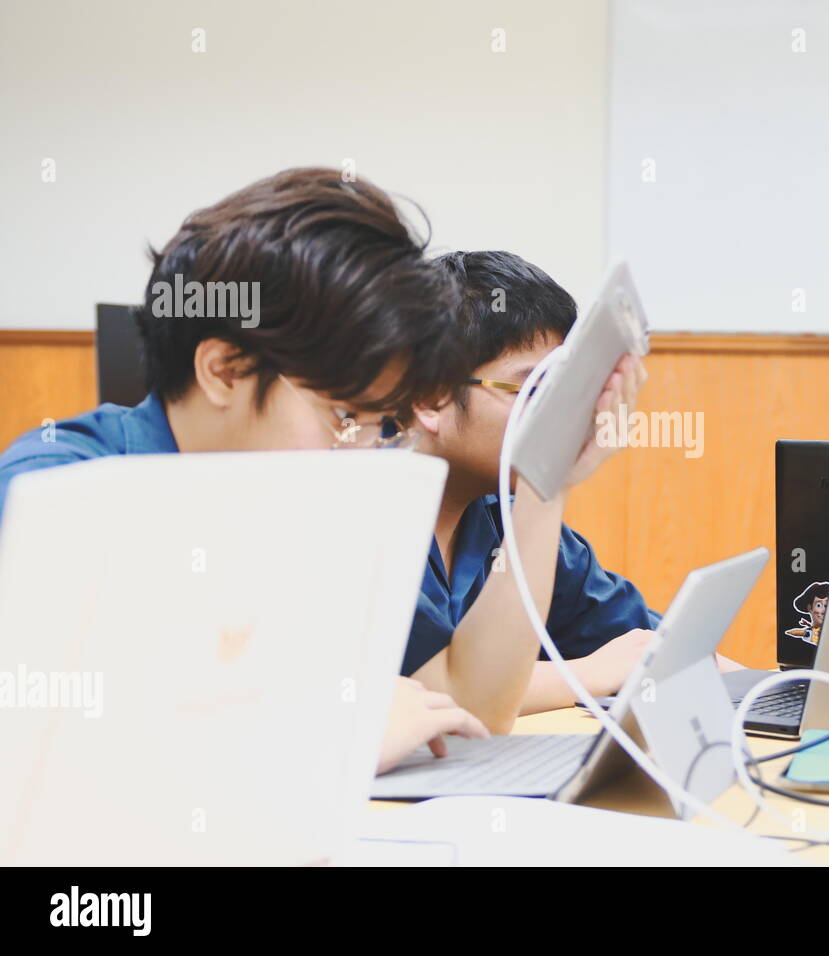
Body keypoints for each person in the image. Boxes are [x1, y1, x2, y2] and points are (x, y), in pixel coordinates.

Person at [0, 168, 526, 766]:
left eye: (379, 426)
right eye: (341, 414)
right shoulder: (57, 489)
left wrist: (545, 479)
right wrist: (317, 744)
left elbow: (457, 697)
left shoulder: (325, 505)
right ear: (224, 369)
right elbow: (47, 755)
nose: (360, 454)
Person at [405, 251, 662, 716]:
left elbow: (646, 642)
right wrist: (593, 673)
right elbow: (441, 692)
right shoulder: (367, 517)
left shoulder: (506, 516)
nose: (564, 414)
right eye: (535, 388)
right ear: (430, 397)